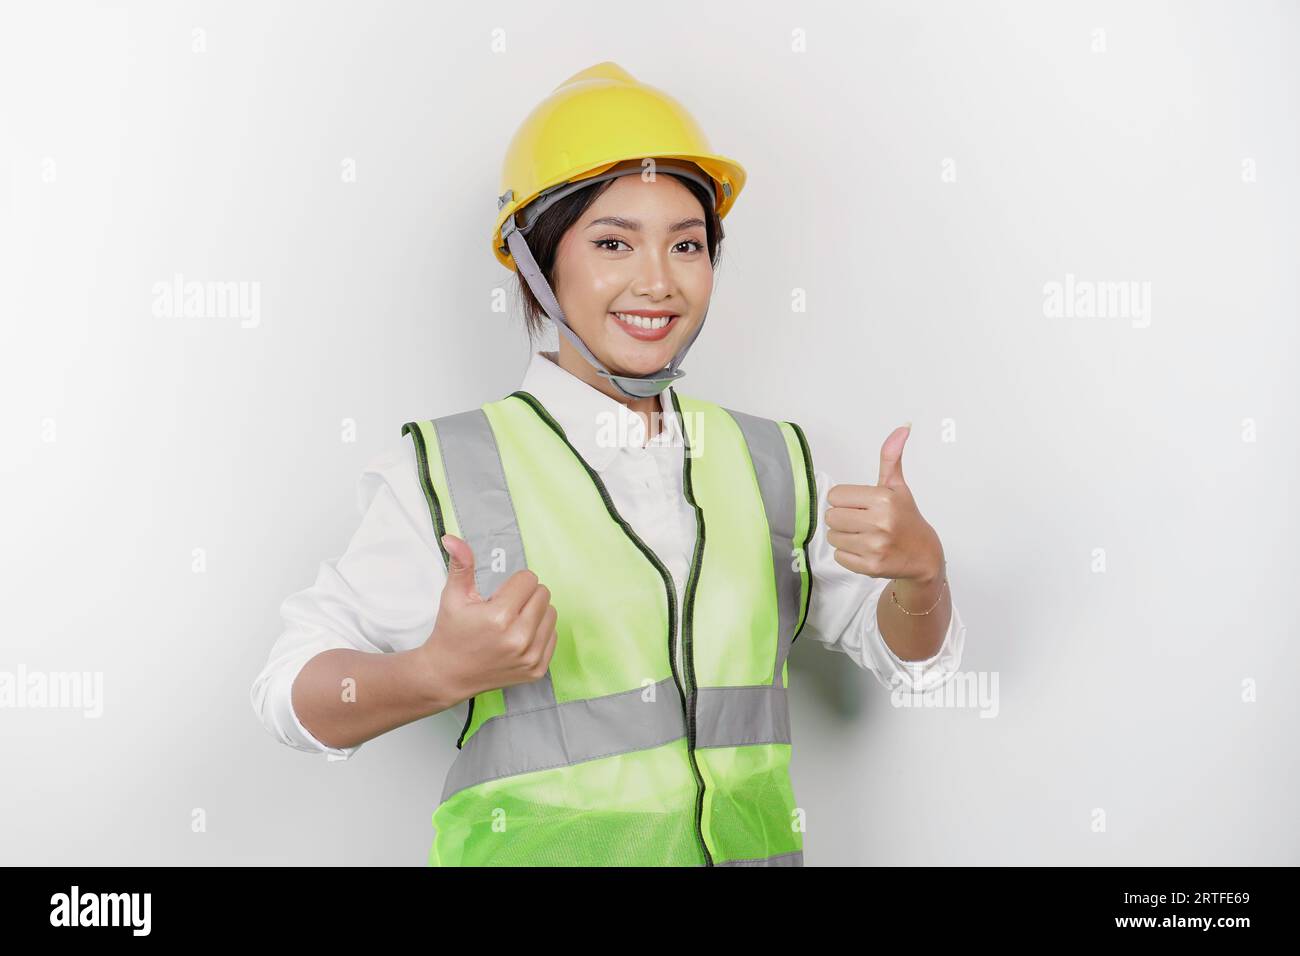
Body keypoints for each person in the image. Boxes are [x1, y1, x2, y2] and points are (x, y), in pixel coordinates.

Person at [250, 61, 966, 866]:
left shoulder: (774, 461)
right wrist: (433, 673)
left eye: (687, 244)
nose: (656, 281)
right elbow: (288, 696)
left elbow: (917, 665)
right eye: (613, 242)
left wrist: (921, 581)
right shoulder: (452, 471)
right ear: (535, 261)